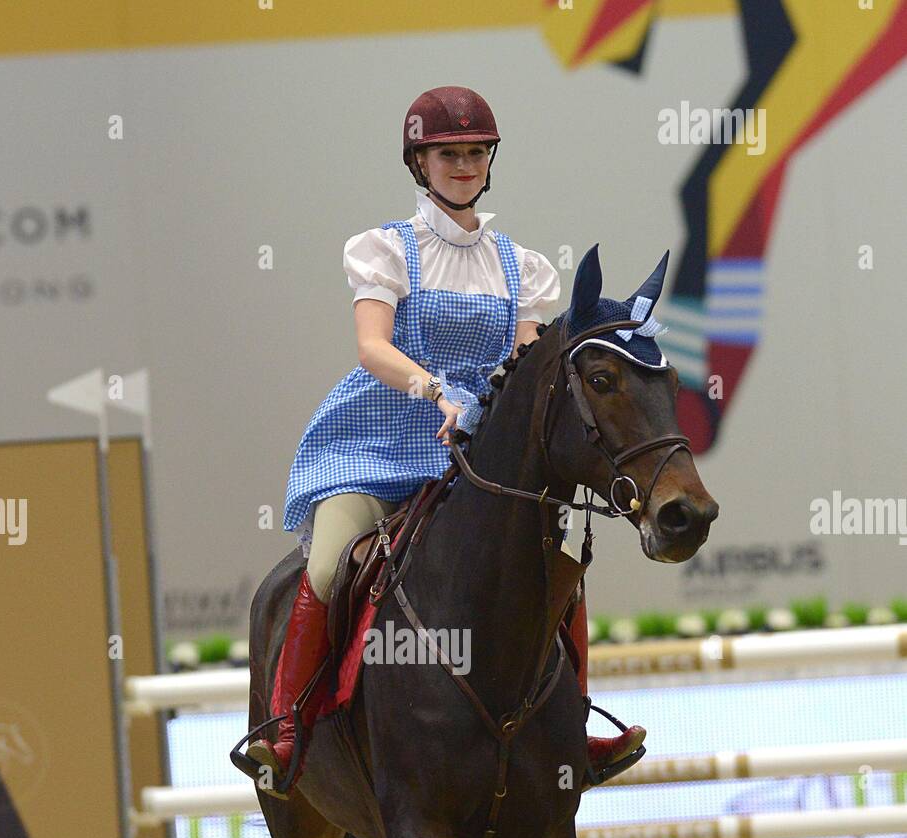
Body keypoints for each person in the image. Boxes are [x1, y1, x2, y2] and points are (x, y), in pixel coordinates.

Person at [247, 85, 644, 798]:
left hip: (469, 456)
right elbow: (371, 347)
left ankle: (572, 725)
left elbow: (525, 368)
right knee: (331, 565)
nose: (462, 165)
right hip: (375, 442)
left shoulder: (522, 266)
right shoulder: (383, 250)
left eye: (474, 153)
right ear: (420, 163)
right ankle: (287, 729)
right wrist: (436, 391)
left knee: (557, 566)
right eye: (447, 154)